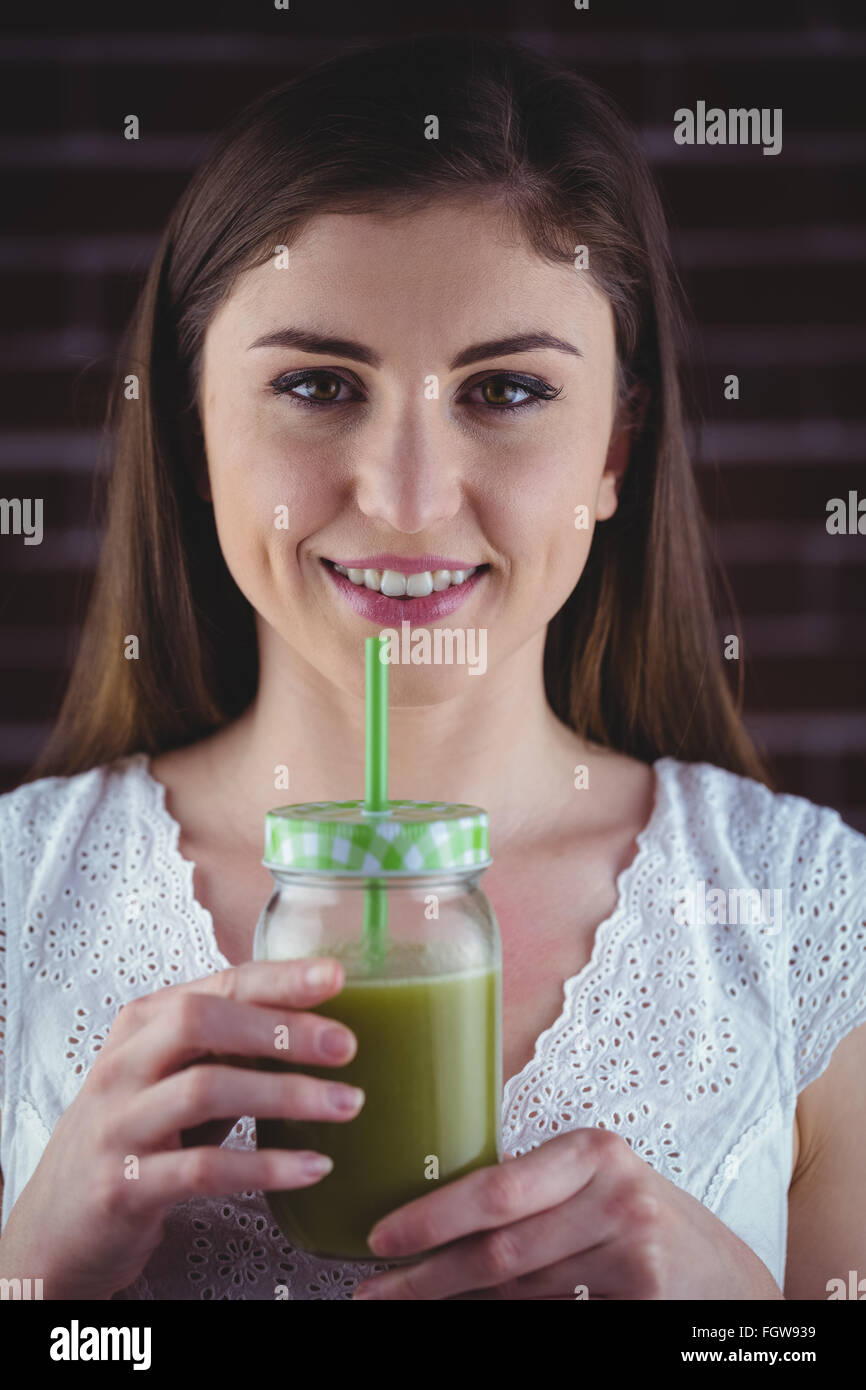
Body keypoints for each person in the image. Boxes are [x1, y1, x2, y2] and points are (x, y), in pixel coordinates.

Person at [1, 33, 863, 1302]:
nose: (406, 501)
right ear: (191, 430)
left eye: (505, 389)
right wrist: (32, 1287)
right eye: (315, 383)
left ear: (614, 450)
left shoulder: (810, 921)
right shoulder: (17, 900)